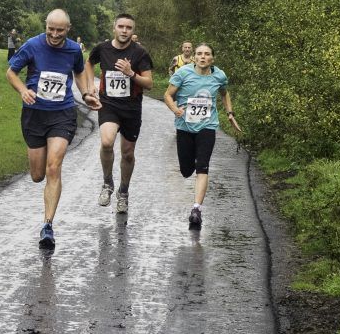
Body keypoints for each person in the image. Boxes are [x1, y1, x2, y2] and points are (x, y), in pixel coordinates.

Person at [5, 9, 101, 248]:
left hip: (63, 113)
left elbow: (79, 72)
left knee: (54, 166)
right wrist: (22, 90)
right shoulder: (32, 45)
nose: (55, 34)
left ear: (68, 29)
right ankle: (45, 200)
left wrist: (86, 93)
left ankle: (48, 225)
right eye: (51, 29)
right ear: (46, 25)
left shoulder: (73, 49)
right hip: (35, 115)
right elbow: (11, 72)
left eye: (60, 30)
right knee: (38, 175)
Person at [164, 43, 242, 228]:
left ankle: (196, 209)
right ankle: (190, 166)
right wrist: (175, 109)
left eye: (207, 54)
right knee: (186, 170)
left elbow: (224, 93)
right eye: (199, 54)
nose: (202, 57)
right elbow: (168, 95)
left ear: (212, 58)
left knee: (203, 165)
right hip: (184, 126)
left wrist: (230, 113)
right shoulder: (183, 73)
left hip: (208, 126)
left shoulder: (219, 75)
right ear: (194, 57)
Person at [90, 13, 154, 214]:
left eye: (129, 28)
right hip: (108, 104)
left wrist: (131, 73)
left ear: (133, 31)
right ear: (114, 27)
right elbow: (87, 64)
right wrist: (88, 87)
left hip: (131, 108)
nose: (124, 30)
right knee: (107, 142)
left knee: (127, 154)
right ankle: (107, 183)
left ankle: (123, 192)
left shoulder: (140, 53)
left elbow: (150, 84)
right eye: (121, 26)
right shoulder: (102, 49)